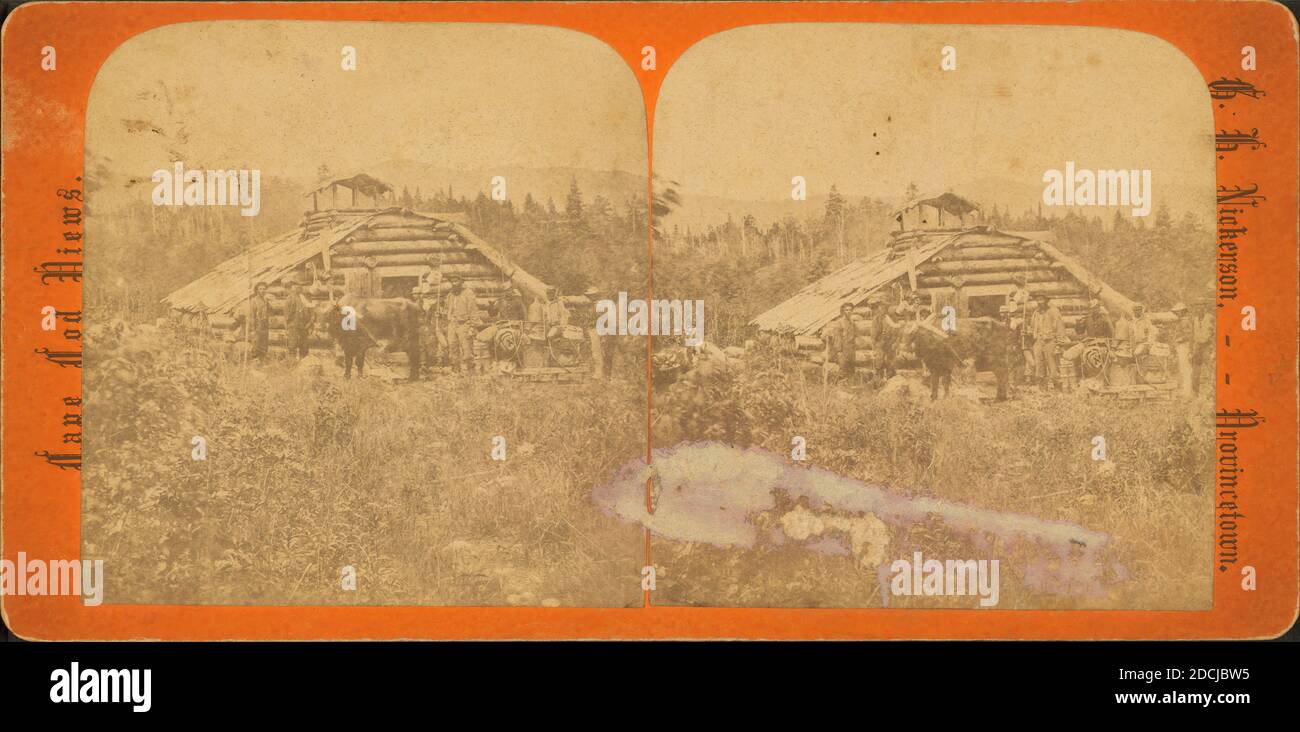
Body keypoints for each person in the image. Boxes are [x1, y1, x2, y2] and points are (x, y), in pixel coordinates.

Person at [1060, 293, 1113, 391]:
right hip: (1087, 342)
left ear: (1099, 308)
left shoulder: (1104, 318)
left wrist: (1107, 320)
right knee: (1068, 355)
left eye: (1096, 308)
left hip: (1102, 343)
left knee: (1093, 357)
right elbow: (1079, 332)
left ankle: (1099, 380)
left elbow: (1111, 334)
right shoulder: (1087, 319)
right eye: (1092, 309)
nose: (1094, 310)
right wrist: (1078, 324)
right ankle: (1074, 382)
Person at [445, 275, 479, 373]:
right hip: (452, 323)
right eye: (452, 281)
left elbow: (473, 310)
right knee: (452, 346)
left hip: (464, 324)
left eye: (456, 281)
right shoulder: (450, 295)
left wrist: (472, 326)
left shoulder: (468, 294)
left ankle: (470, 370)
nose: (454, 283)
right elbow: (447, 309)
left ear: (461, 282)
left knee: (467, 347)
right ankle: (456, 369)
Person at [1031, 294, 1066, 390]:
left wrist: (1059, 344)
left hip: (1050, 342)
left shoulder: (1053, 311)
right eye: (1037, 300)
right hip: (1038, 341)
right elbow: (1033, 327)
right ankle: (1043, 390)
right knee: (1039, 367)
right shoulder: (1036, 313)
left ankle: (1058, 389)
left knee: (1053, 367)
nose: (1039, 302)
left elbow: (1060, 328)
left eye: (1041, 300)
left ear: (1046, 301)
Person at [988, 305, 1019, 401]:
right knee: (1000, 372)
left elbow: (1015, 336)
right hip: (999, 350)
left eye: (1005, 312)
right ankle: (1001, 395)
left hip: (1009, 348)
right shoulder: (997, 323)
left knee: (1009, 371)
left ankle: (1012, 394)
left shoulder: (1013, 323)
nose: (1003, 314)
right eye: (1002, 312)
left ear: (1009, 313)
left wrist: (1014, 346)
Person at [282, 280, 313, 361]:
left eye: (301, 287)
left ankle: (304, 364)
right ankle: (291, 364)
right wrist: (287, 327)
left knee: (304, 346)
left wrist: (309, 323)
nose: (300, 288)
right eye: (297, 287)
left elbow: (309, 312)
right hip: (294, 326)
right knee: (292, 345)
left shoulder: (304, 298)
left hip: (304, 326)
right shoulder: (290, 299)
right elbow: (286, 315)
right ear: (293, 288)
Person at [827, 302, 858, 379]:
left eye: (850, 310)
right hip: (843, 349)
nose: (849, 312)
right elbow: (837, 337)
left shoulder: (852, 323)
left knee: (851, 369)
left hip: (851, 349)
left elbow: (855, 335)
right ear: (843, 311)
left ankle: (849, 386)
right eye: (846, 310)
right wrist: (839, 351)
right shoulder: (839, 323)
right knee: (842, 369)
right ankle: (841, 387)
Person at [1170, 302, 1195, 396]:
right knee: (1184, 369)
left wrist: (1178, 340)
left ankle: (1187, 391)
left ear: (1183, 311)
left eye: (1178, 312)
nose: (1177, 313)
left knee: (1186, 369)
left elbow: (1188, 335)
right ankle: (1186, 390)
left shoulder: (1185, 321)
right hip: (1182, 346)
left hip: (1184, 346)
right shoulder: (1182, 321)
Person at [1191, 302, 1215, 395]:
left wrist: (1213, 347)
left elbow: (1215, 333)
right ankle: (1195, 392)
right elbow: (1192, 334)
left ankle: (1213, 391)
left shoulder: (1210, 318)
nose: (1199, 308)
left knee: (1210, 369)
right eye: (1197, 306)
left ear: (1205, 307)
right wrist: (1191, 349)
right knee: (1195, 371)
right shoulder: (1195, 319)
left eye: (1201, 306)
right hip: (1197, 347)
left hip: (1207, 346)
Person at [403, 287, 424, 382]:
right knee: (413, 353)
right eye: (414, 294)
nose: (416, 296)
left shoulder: (424, 305)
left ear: (421, 294)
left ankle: (418, 374)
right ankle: (414, 375)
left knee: (420, 352)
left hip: (421, 331)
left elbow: (423, 318)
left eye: (418, 294)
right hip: (414, 331)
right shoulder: (413, 305)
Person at [248, 282, 271, 361]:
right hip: (257, 326)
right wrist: (253, 329)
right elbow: (252, 316)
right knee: (256, 344)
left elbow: (271, 311)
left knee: (264, 344)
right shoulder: (254, 301)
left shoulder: (265, 300)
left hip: (265, 326)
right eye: (260, 289)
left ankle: (262, 361)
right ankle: (254, 361)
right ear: (257, 290)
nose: (262, 291)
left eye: (264, 289)